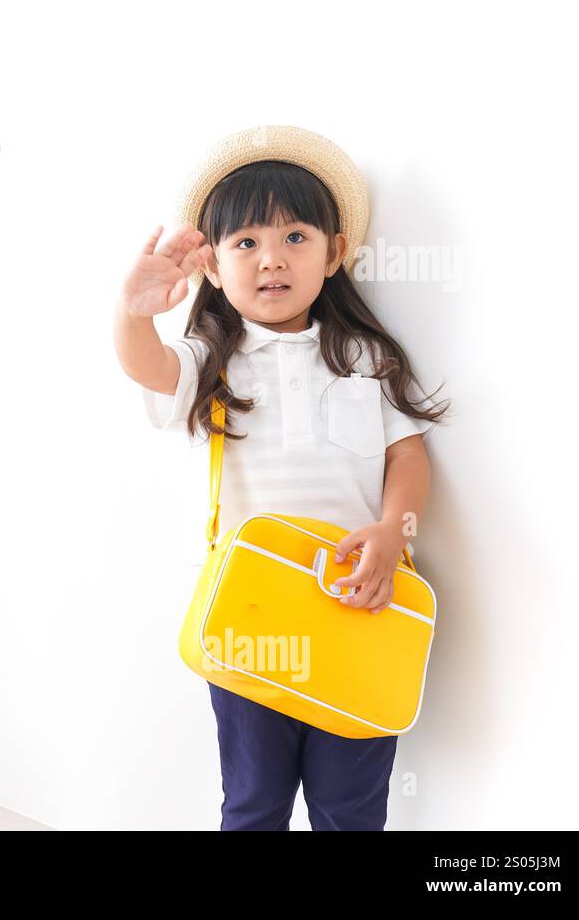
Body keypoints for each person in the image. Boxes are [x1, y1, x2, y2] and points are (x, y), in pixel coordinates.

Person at [112, 125, 450, 830]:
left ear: (333, 254)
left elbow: (407, 454)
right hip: (251, 618)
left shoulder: (363, 356)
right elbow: (149, 369)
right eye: (246, 243)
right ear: (211, 266)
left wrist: (393, 530)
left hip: (359, 602)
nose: (272, 259)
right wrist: (134, 313)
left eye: (295, 236)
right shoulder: (210, 355)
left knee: (351, 808)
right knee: (254, 803)